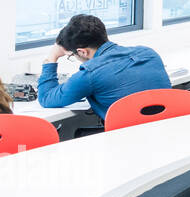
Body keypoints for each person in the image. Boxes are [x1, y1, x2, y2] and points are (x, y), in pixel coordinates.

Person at [36, 14, 171, 119]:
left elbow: (46, 98)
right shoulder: (148, 53)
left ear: (82, 51)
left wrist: (51, 58)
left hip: (126, 141)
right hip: (166, 134)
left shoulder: (90, 73)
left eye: (72, 56)